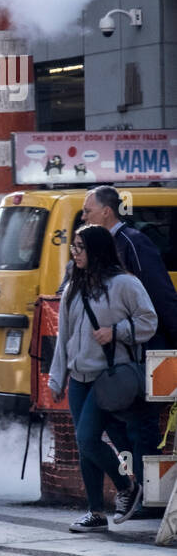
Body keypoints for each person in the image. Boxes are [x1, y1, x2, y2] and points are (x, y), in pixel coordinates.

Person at [48, 224, 156, 532]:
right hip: (79, 378)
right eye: (74, 248)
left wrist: (116, 331)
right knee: (86, 445)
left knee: (86, 438)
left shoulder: (125, 284)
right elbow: (64, 336)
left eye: (80, 248)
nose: (75, 254)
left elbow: (149, 320)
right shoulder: (73, 286)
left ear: (97, 250)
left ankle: (126, 487)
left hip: (109, 377)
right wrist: (58, 378)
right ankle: (95, 513)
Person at [83, 184, 177, 468]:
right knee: (116, 420)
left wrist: (172, 343)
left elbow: (161, 294)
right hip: (117, 354)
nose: (84, 217)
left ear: (106, 212)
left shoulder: (133, 242)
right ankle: (137, 486)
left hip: (147, 347)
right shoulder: (104, 246)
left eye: (88, 211)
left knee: (142, 422)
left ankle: (147, 495)